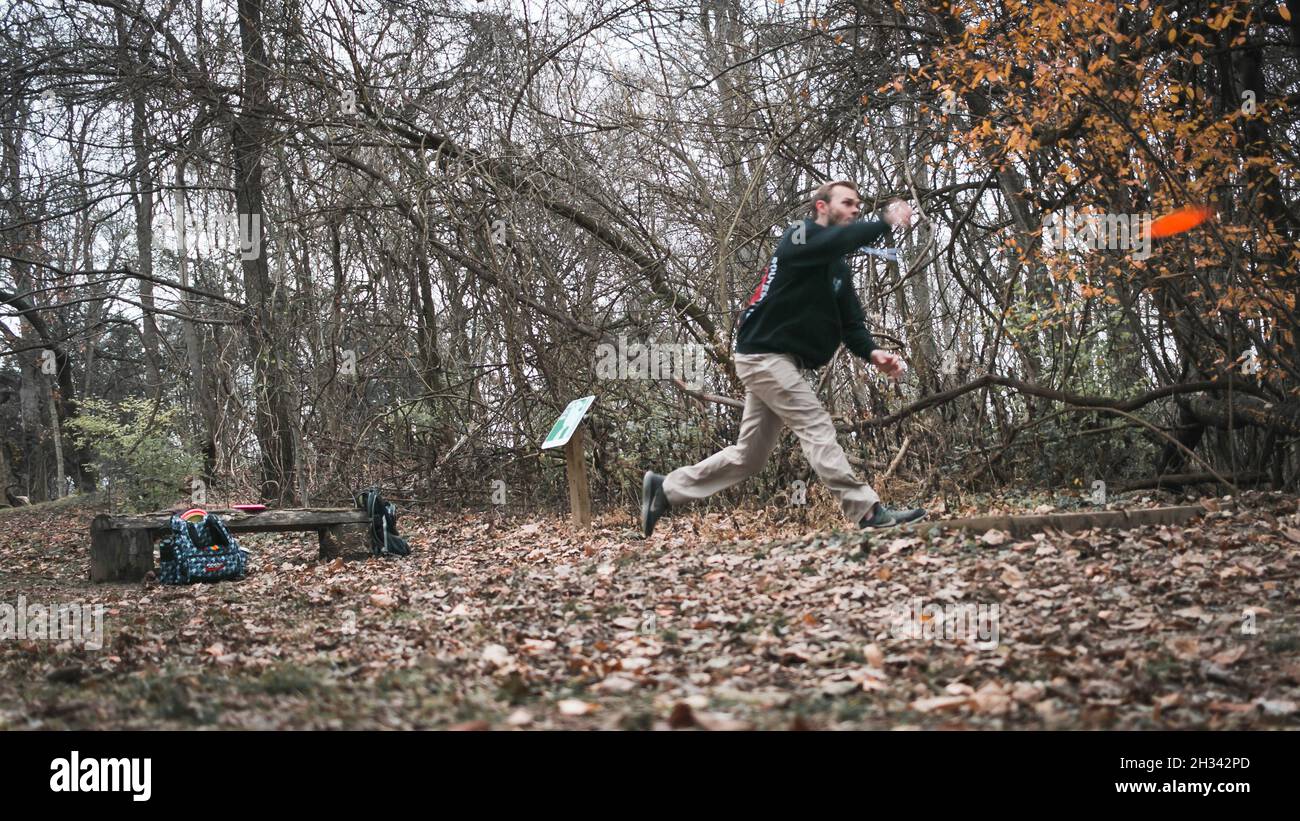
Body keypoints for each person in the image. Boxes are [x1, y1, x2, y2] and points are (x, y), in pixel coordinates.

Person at [640, 179, 927, 537]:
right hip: (762, 355)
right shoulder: (798, 237)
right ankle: (866, 512)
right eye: (848, 203)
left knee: (750, 457)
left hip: (779, 361)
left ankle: (665, 489)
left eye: (859, 205)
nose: (856, 210)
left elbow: (851, 324)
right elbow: (838, 240)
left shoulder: (837, 267)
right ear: (822, 207)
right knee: (815, 423)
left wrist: (873, 352)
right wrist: (885, 221)